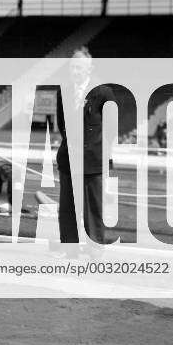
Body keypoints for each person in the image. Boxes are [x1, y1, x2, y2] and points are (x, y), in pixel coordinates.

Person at [56, 47, 115, 245]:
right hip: (69, 159)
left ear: (90, 68)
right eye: (73, 67)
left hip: (93, 160)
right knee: (67, 209)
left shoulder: (103, 92)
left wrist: (101, 151)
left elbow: (111, 128)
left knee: (93, 209)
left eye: (79, 67)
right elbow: (62, 124)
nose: (75, 71)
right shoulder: (63, 91)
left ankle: (94, 250)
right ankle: (69, 248)